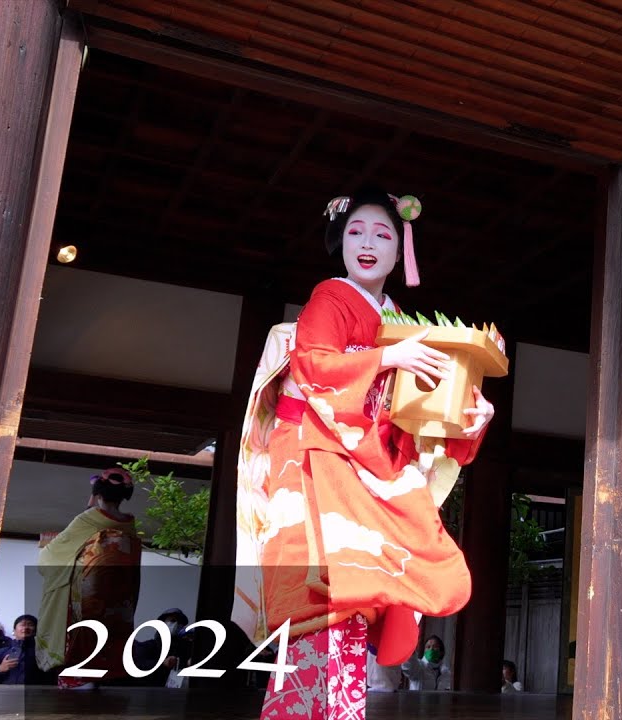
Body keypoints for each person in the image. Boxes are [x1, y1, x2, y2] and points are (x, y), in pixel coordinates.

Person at [232, 186, 493, 720]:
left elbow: (411, 414)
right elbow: (315, 366)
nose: (368, 243)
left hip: (362, 461)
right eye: (356, 232)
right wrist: (389, 355)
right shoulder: (330, 297)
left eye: (383, 234)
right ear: (340, 244)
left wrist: (469, 417)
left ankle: (341, 711)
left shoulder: (396, 315)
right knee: (321, 596)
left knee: (355, 598)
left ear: (401, 251)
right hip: (312, 457)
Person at [36, 467, 142, 689]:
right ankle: (98, 674)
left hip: (85, 592)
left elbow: (50, 557)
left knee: (79, 629)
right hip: (117, 595)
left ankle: (75, 675)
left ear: (98, 493)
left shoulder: (88, 518)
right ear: (124, 496)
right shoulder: (128, 524)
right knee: (107, 632)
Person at [0, 615, 51, 685]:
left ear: (36, 631)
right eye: (22, 624)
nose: (26, 627)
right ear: (14, 631)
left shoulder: (45, 652)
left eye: (30, 625)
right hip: (6, 693)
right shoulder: (1, 651)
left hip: (36, 693)